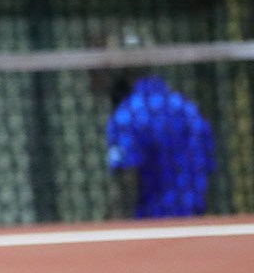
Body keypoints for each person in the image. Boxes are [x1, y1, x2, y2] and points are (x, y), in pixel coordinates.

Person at [91, 32, 215, 219]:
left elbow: (127, 181)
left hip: (151, 225)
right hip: (195, 222)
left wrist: (111, 226)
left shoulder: (127, 116)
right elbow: (208, 169)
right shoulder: (186, 108)